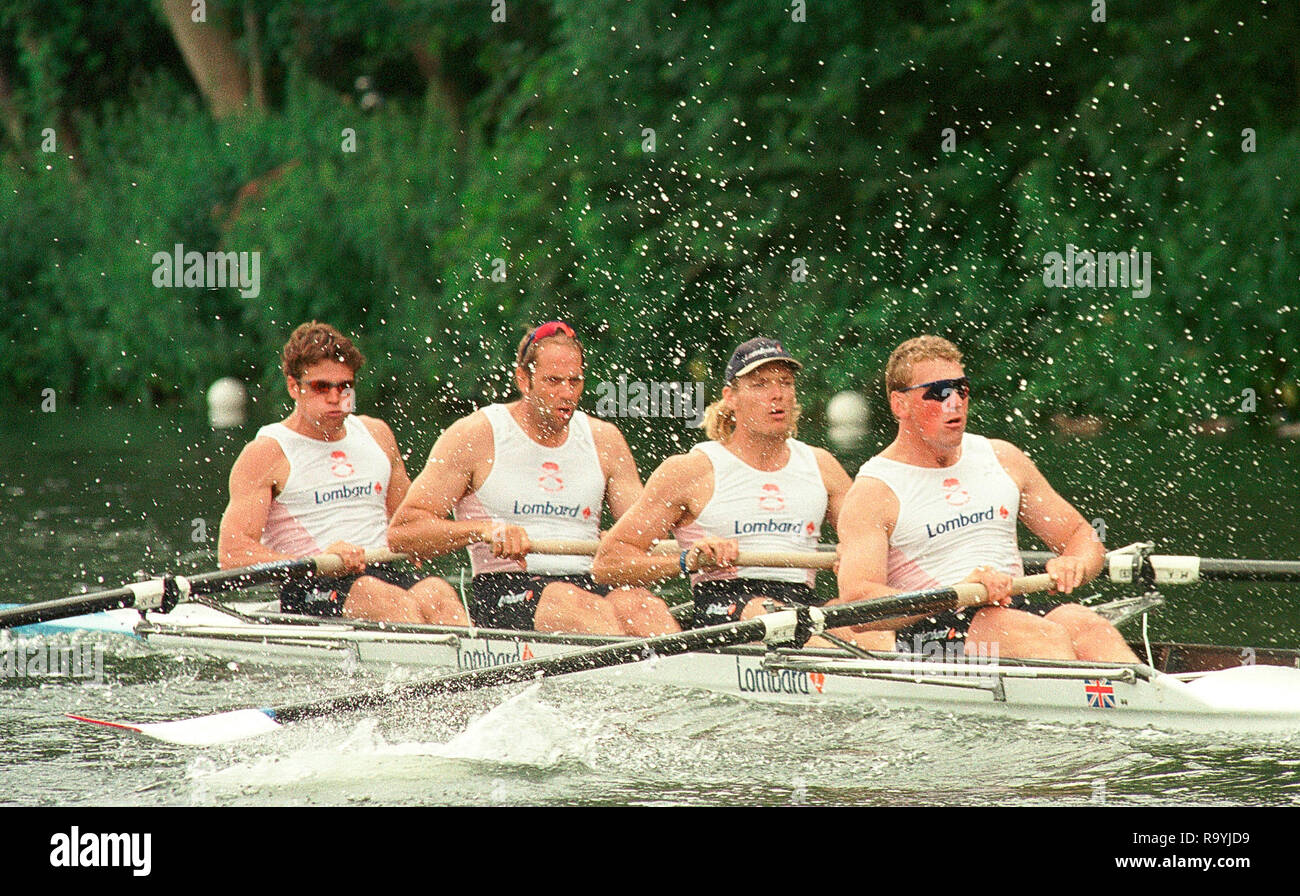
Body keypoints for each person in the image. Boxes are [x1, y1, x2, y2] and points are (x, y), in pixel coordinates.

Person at [836, 335, 1139, 662]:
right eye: (938, 393)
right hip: (931, 629)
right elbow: (858, 604)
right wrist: (950, 595)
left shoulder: (1003, 458)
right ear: (900, 404)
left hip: (1012, 609)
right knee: (1042, 638)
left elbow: (1083, 536)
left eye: (961, 389)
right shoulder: (874, 490)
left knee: (1091, 627)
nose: (954, 404)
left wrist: (1075, 563)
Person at [387, 321, 680, 637]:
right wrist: (485, 531)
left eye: (575, 381)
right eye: (553, 382)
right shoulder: (475, 435)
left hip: (589, 582)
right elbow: (404, 533)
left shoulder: (605, 440)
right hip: (507, 588)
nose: (567, 395)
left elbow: (642, 538)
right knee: (567, 599)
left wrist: (695, 547)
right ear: (524, 380)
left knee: (642, 604)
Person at [592, 337, 886, 649]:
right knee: (775, 619)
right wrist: (686, 561)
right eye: (760, 384)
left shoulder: (822, 466)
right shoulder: (691, 471)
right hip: (726, 602)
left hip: (802, 601)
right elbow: (607, 563)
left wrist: (858, 556)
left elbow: (875, 543)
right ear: (730, 397)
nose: (777, 395)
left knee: (877, 631)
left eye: (785, 383)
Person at [218, 322, 467, 625]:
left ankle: (484, 670)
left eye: (344, 387)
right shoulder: (267, 452)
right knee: (382, 597)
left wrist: (480, 531)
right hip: (310, 585)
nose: (336, 398)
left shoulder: (377, 435)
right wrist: (316, 564)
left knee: (437, 592)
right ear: (294, 387)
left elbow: (408, 527)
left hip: (382, 572)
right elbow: (232, 554)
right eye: (321, 387)